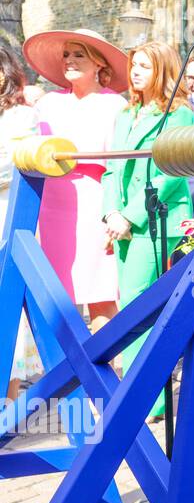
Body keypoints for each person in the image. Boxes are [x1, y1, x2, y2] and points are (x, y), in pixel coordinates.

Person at [101, 41, 194, 417]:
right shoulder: (126, 114)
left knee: (137, 306)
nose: (135, 71)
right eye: (133, 64)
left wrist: (131, 215)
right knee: (132, 305)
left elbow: (171, 172)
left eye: (144, 66)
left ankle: (145, 398)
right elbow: (110, 167)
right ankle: (143, 394)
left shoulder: (179, 114)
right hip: (122, 224)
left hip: (156, 221)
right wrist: (110, 213)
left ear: (163, 71)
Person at [22, 30, 128, 335]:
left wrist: (115, 210)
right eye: (66, 55)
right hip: (52, 203)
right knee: (56, 293)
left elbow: (120, 165)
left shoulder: (115, 106)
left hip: (96, 199)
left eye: (78, 55)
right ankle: (64, 375)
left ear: (98, 64)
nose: (69, 60)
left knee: (100, 291)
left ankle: (106, 376)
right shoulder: (48, 104)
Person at [1, 48, 40, 402]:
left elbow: (10, 163)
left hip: (9, 216)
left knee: (6, 309)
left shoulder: (23, 116)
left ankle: (7, 406)